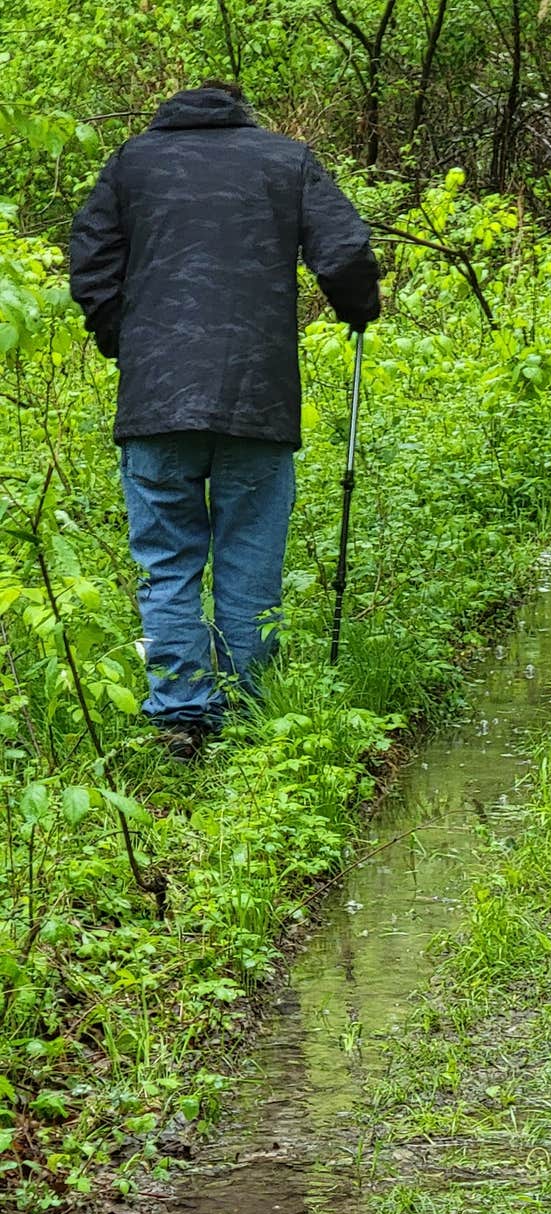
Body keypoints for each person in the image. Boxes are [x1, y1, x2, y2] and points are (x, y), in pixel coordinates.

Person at [69, 80, 381, 760]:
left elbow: (89, 263)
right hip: (258, 398)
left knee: (168, 563)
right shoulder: (286, 160)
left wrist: (132, 342)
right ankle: (248, 711)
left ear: (170, 116)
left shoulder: (133, 162)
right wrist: (358, 307)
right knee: (250, 556)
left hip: (155, 405)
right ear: (243, 112)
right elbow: (347, 252)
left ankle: (182, 718)